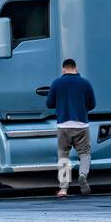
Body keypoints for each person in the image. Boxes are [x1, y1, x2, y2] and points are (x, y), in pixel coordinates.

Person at [47, 58, 96, 198]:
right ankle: (82, 175)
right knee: (84, 153)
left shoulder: (57, 83)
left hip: (63, 125)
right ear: (76, 68)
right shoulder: (85, 83)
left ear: (63, 69)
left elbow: (49, 103)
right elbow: (92, 104)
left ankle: (63, 189)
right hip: (81, 124)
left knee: (63, 155)